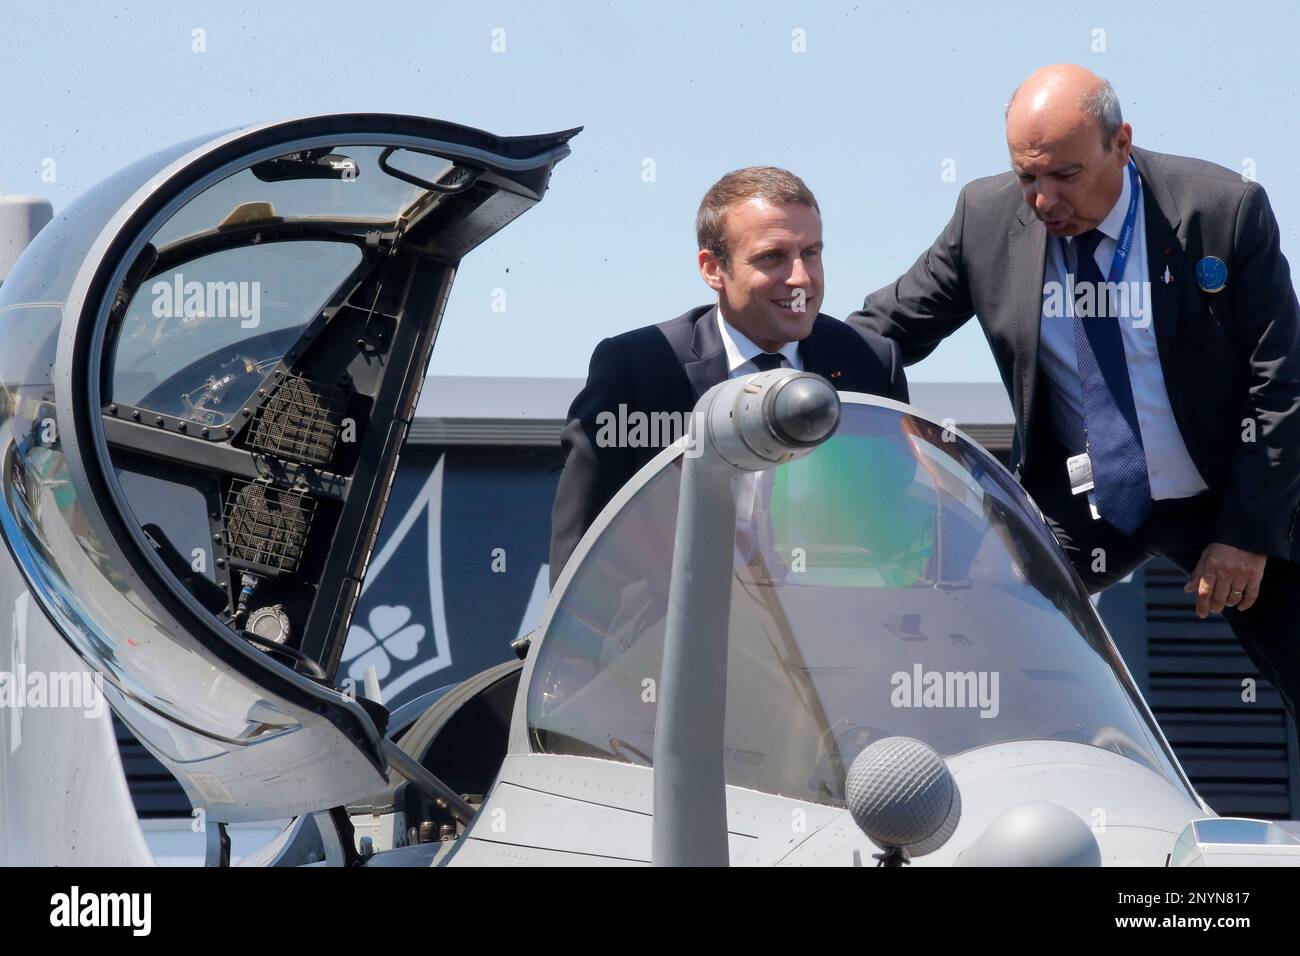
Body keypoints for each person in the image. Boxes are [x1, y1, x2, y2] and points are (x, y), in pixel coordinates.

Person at [847, 64, 1300, 725]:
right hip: (1087, 502)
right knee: (963, 639)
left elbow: (1281, 383)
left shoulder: (1224, 212)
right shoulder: (984, 217)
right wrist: (795, 381)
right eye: (1027, 176)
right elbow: (884, 332)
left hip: (1231, 492)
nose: (1042, 200)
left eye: (1065, 175)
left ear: (1121, 144)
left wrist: (1245, 536)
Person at [550, 166, 909, 586]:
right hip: (669, 641)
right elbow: (583, 543)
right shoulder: (638, 369)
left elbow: (890, 528)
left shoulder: (869, 363)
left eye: (810, 253)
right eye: (772, 257)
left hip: (828, 633)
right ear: (712, 268)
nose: (800, 278)